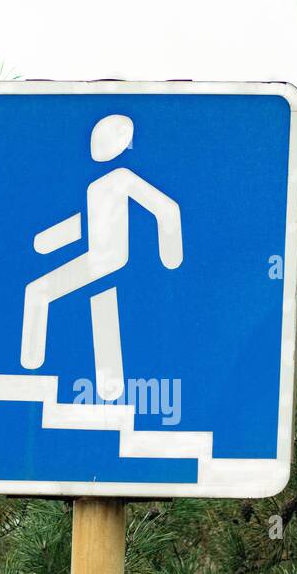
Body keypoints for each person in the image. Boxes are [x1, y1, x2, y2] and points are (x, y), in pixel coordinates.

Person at [20, 114, 183, 401]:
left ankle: (33, 364)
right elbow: (83, 226)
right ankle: (102, 385)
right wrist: (44, 242)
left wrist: (170, 253)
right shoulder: (95, 187)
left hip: (110, 259)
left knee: (40, 292)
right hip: (96, 257)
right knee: (86, 301)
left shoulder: (121, 178)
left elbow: (165, 208)